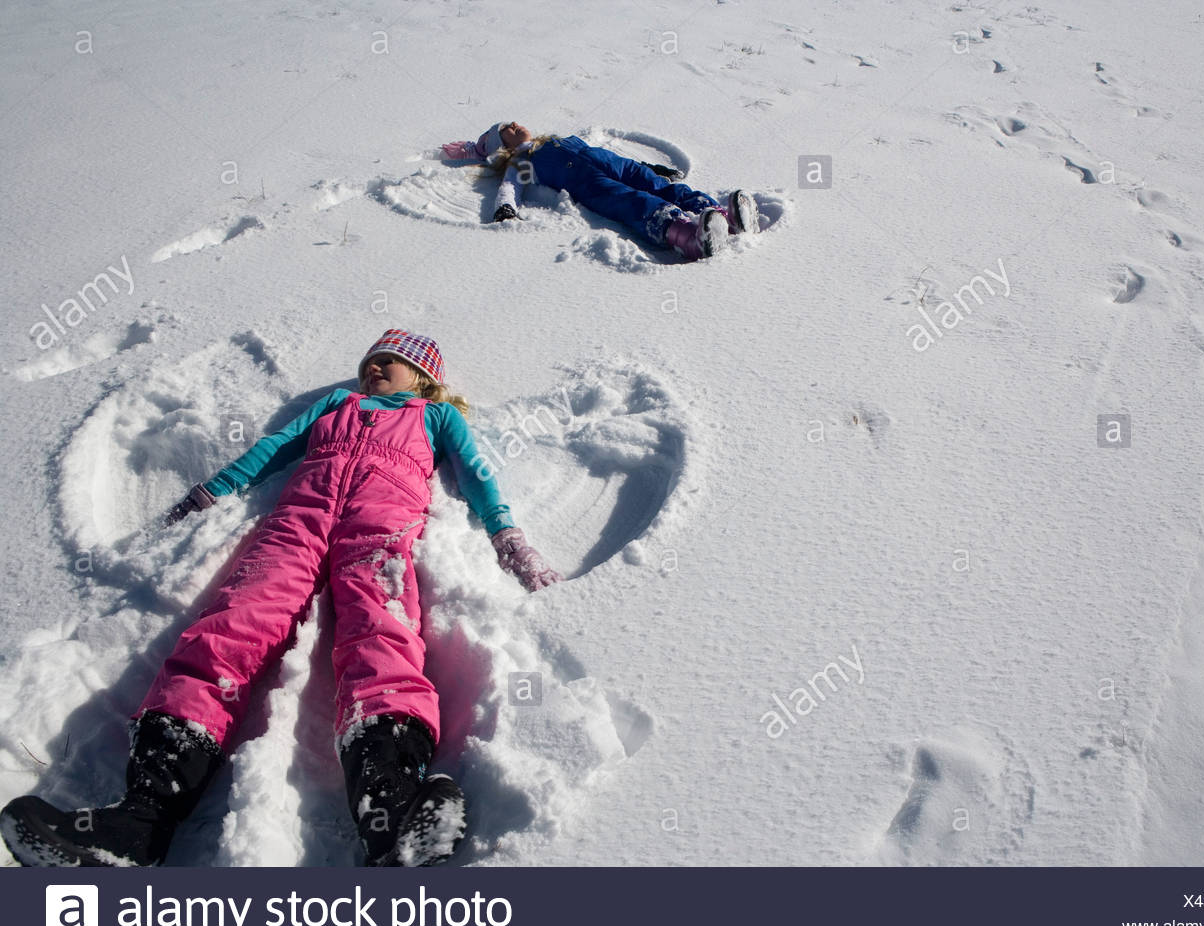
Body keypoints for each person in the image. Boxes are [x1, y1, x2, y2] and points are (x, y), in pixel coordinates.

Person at [0, 329, 561, 868]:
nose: (373, 366)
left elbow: (479, 473)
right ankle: (141, 819)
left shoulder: (435, 416)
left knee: (381, 629)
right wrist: (210, 491)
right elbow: (274, 449)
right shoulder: (337, 404)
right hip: (296, 525)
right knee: (232, 625)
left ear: (421, 376)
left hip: (380, 528)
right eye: (370, 358)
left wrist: (507, 535)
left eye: (388, 359)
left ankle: (390, 800)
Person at [442, 121, 758, 260]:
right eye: (506, 131)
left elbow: (605, 154)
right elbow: (509, 189)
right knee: (635, 201)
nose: (513, 125)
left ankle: (720, 216)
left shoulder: (557, 139)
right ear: (504, 149)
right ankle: (687, 237)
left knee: (656, 184)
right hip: (591, 185)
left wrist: (652, 167)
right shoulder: (522, 161)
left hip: (619, 166)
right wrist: (505, 207)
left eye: (511, 123)